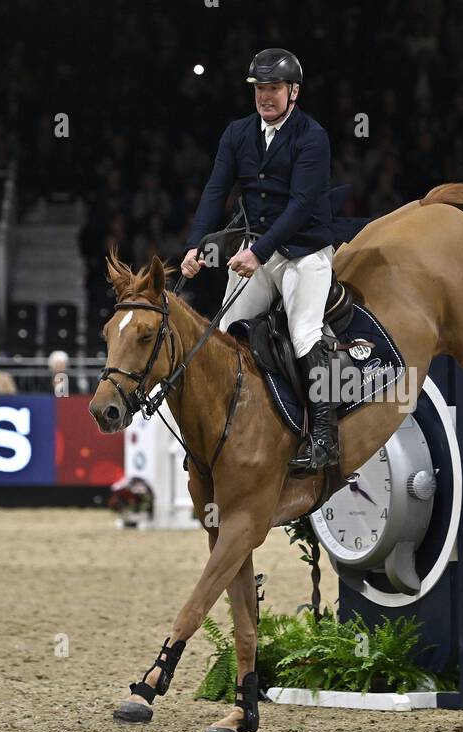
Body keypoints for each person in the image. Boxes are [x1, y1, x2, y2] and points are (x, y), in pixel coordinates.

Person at [180, 48, 354, 477]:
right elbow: (214, 190)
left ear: (293, 92)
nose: (265, 96)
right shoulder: (237, 133)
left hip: (305, 252)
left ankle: (323, 438)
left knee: (303, 334)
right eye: (260, 89)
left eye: (273, 88)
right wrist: (195, 246)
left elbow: (300, 206)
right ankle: (220, 435)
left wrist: (258, 252)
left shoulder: (312, 137)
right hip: (258, 251)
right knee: (222, 336)